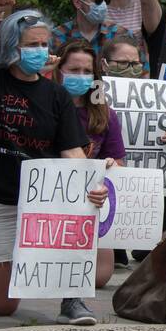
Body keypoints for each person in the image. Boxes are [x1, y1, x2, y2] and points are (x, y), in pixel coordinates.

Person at [0, 0, 109, 325]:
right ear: (13, 46)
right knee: (2, 306)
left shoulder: (56, 95)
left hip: (44, 204)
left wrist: (92, 186)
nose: (41, 51)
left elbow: (71, 151)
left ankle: (72, 299)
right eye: (32, 45)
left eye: (44, 44)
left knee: (80, 209)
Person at [53, 42, 127, 289]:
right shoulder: (44, 104)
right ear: (58, 69)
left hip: (89, 201)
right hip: (50, 198)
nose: (81, 77)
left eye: (87, 72)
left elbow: (117, 161)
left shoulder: (105, 114)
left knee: (98, 277)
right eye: (74, 70)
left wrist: (109, 165)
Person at [51, 0, 144, 65]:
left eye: (106, 0)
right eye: (98, 0)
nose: (103, 6)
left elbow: (144, 72)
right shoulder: (57, 36)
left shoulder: (121, 35)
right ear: (78, 3)